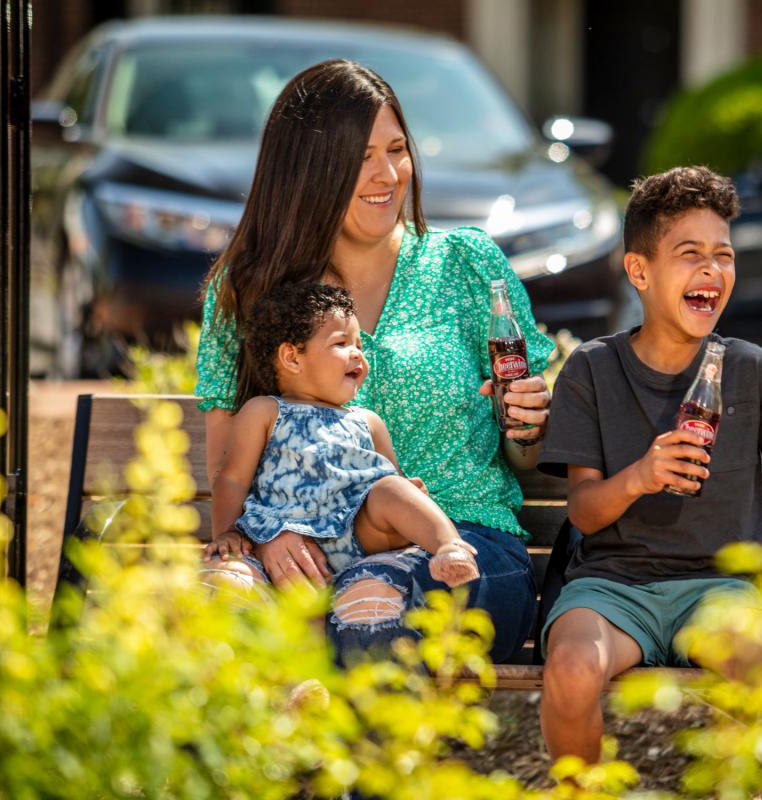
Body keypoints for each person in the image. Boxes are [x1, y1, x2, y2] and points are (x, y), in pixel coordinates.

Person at [195, 59, 553, 665]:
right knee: (216, 604)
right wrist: (267, 534)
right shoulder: (248, 287)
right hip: (305, 548)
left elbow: (526, 455)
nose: (388, 174)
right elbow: (231, 461)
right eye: (361, 157)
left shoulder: (466, 265)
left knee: (370, 601)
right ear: (308, 169)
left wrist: (527, 423)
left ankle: (356, 752)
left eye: (396, 149)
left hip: (461, 546)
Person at [536, 166, 762, 800]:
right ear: (639, 271)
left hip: (721, 594)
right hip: (611, 590)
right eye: (690, 254)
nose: (712, 270)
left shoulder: (751, 371)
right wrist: (642, 475)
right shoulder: (592, 371)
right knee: (568, 675)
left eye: (723, 255)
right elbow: (586, 513)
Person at [202, 281, 479, 591]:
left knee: (391, 488)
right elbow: (234, 479)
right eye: (341, 344)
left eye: (359, 345)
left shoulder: (367, 421)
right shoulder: (266, 411)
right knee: (224, 583)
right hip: (280, 536)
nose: (357, 354)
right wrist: (226, 533)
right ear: (292, 357)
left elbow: (390, 485)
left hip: (355, 533)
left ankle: (449, 547)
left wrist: (408, 495)